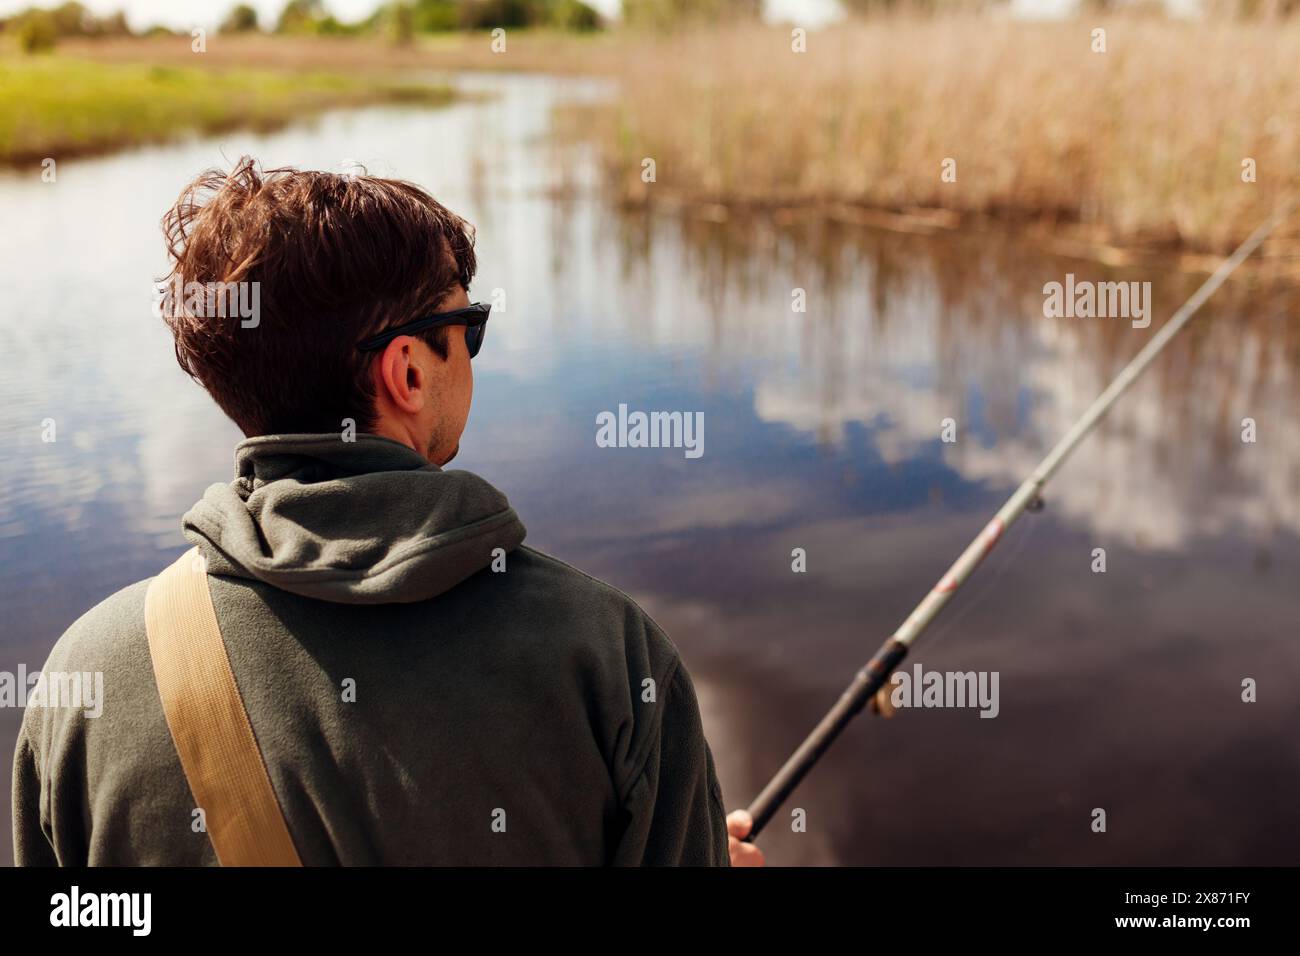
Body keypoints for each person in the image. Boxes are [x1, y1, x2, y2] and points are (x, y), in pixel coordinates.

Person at [12, 158, 764, 867]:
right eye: (466, 327)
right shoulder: (608, 658)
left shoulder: (87, 676)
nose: (472, 350)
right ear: (406, 371)